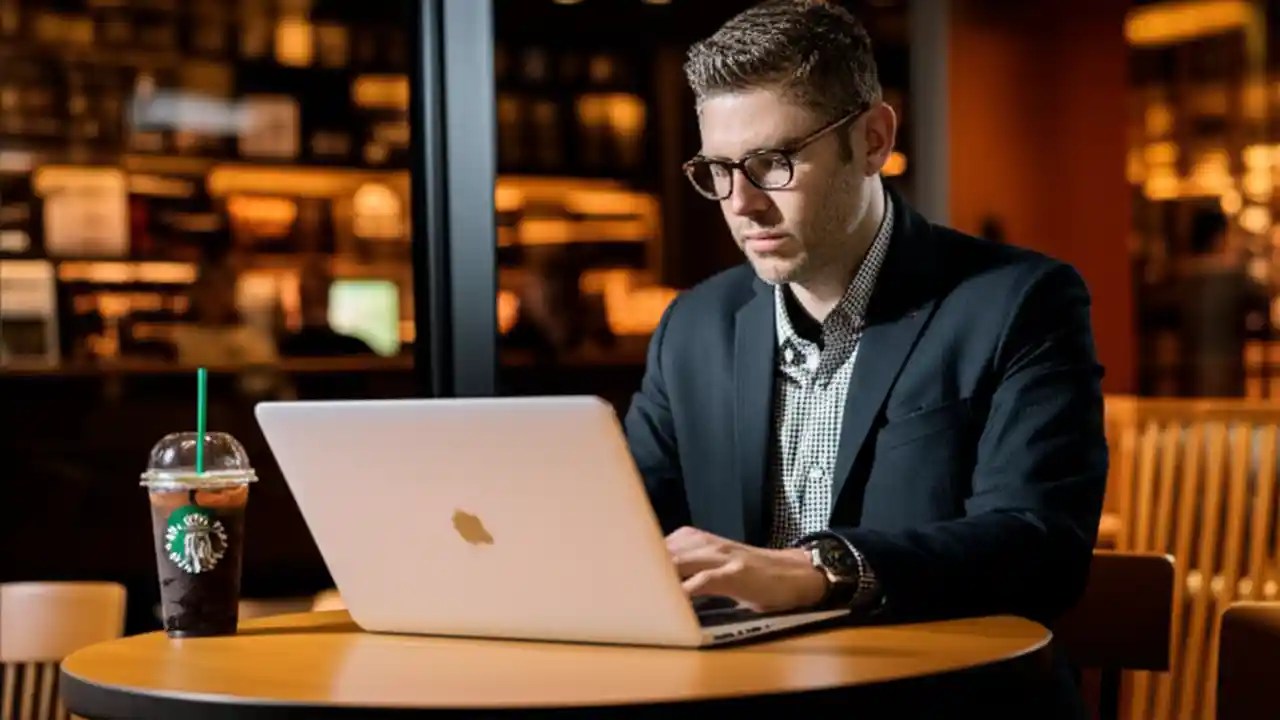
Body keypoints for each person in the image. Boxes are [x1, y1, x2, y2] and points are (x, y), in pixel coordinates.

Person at [622, 0, 1106, 713]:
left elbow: (1039, 549)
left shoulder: (1020, 302)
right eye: (719, 169)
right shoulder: (695, 325)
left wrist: (819, 571)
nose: (741, 203)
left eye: (773, 162)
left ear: (874, 139)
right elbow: (626, 529)